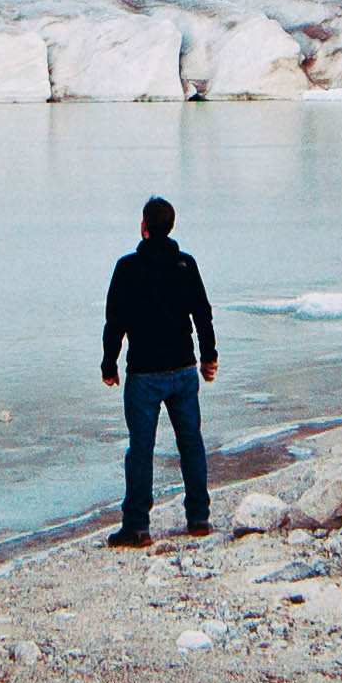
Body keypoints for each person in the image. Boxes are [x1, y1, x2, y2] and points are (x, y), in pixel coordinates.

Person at [99, 193, 222, 546]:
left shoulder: (127, 267)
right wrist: (208, 356)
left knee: (141, 449)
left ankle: (137, 526)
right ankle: (199, 517)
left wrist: (109, 364)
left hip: (144, 374)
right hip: (183, 369)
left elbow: (115, 323)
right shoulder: (186, 264)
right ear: (170, 227)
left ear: (144, 227)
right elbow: (202, 313)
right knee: (191, 443)